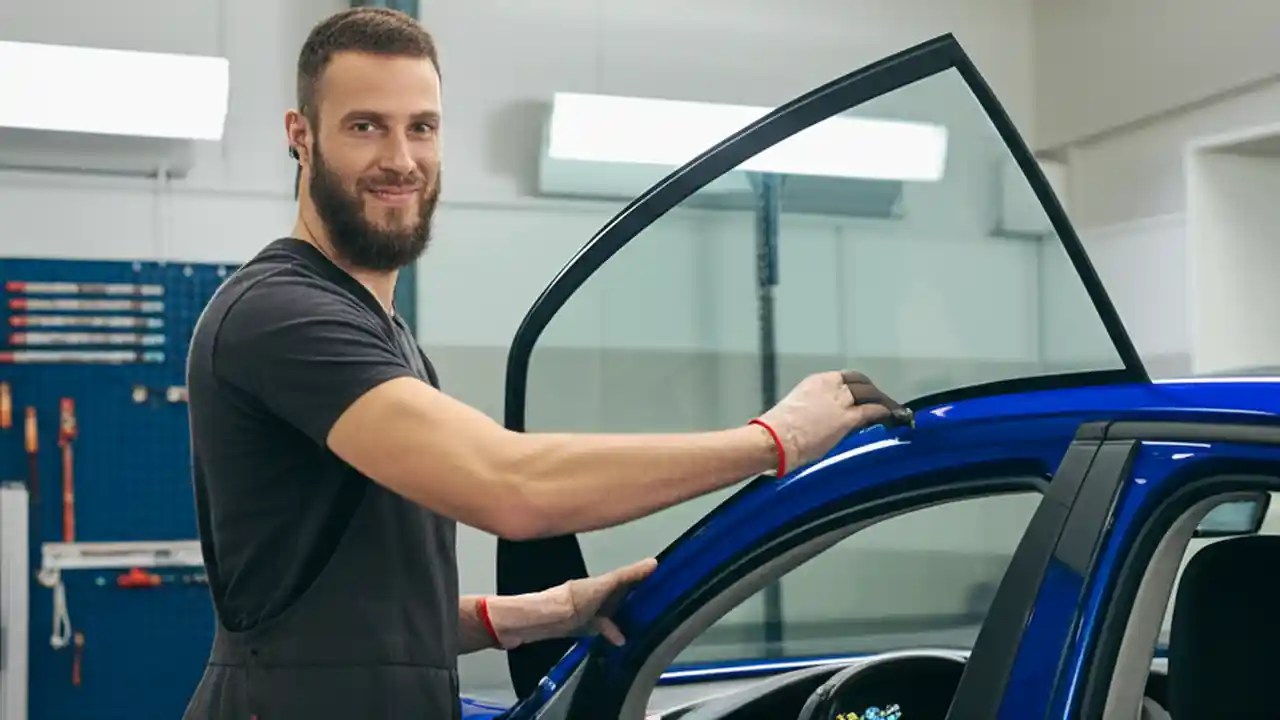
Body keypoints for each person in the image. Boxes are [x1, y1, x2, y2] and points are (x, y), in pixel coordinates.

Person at [181, 7, 905, 719]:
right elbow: (508, 483)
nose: (400, 158)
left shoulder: (385, 336)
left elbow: (352, 625)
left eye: (421, 127)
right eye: (365, 125)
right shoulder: (282, 315)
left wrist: (541, 612)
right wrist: (771, 443)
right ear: (300, 137)